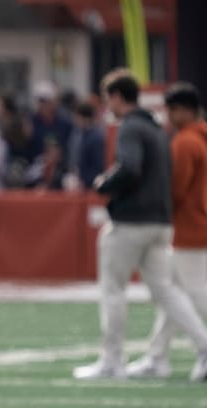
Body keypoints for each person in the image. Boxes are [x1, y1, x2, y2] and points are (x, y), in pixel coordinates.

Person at [74, 69, 207, 381]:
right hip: (162, 224)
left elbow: (131, 167)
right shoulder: (159, 130)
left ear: (117, 97)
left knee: (113, 288)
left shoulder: (136, 128)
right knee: (169, 291)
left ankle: (111, 360)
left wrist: (105, 184)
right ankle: (194, 349)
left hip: (137, 221)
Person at [127, 82, 207, 379]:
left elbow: (176, 189)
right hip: (198, 223)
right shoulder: (200, 138)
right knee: (173, 295)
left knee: (193, 294)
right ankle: (157, 355)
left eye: (172, 109)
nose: (169, 116)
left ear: (184, 110)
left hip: (189, 226)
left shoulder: (186, 142)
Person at [67, 101, 106, 190]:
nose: (75, 120)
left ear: (84, 118)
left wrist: (84, 180)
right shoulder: (82, 135)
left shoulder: (95, 139)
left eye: (77, 117)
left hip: (91, 187)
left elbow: (98, 167)